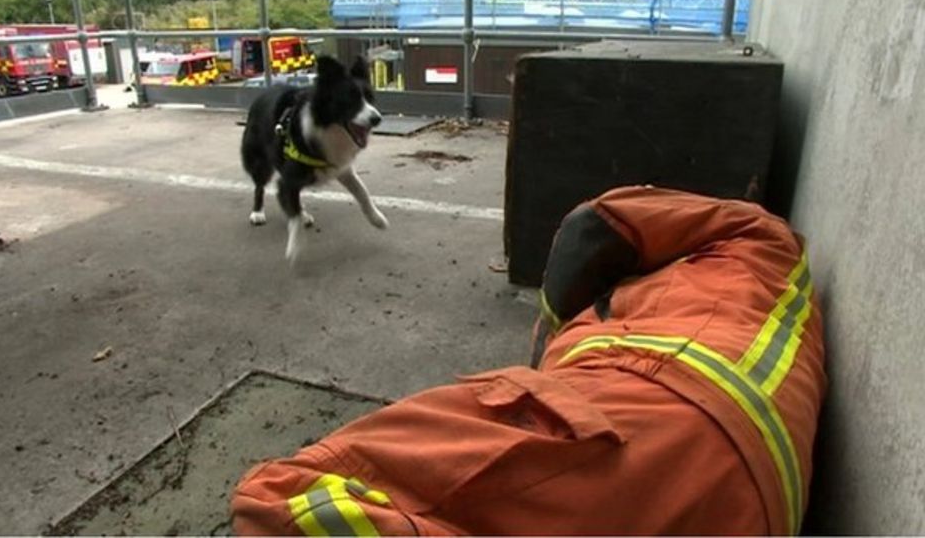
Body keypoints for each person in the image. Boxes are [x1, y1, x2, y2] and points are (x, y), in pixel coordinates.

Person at [231, 186, 826, 536]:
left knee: (287, 504)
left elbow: (592, 229)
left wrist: (547, 338)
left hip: (648, 408)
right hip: (748, 508)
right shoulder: (764, 276)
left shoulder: (748, 229)